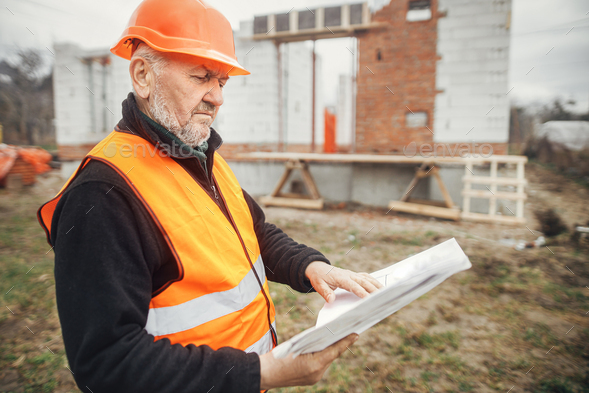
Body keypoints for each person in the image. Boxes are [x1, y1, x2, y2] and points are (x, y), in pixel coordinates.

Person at [37, 0, 382, 391]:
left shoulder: (201, 156)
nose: (217, 97)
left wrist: (311, 268)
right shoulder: (103, 194)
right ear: (143, 75)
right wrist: (261, 373)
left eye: (221, 82)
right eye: (201, 77)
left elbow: (255, 232)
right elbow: (106, 363)